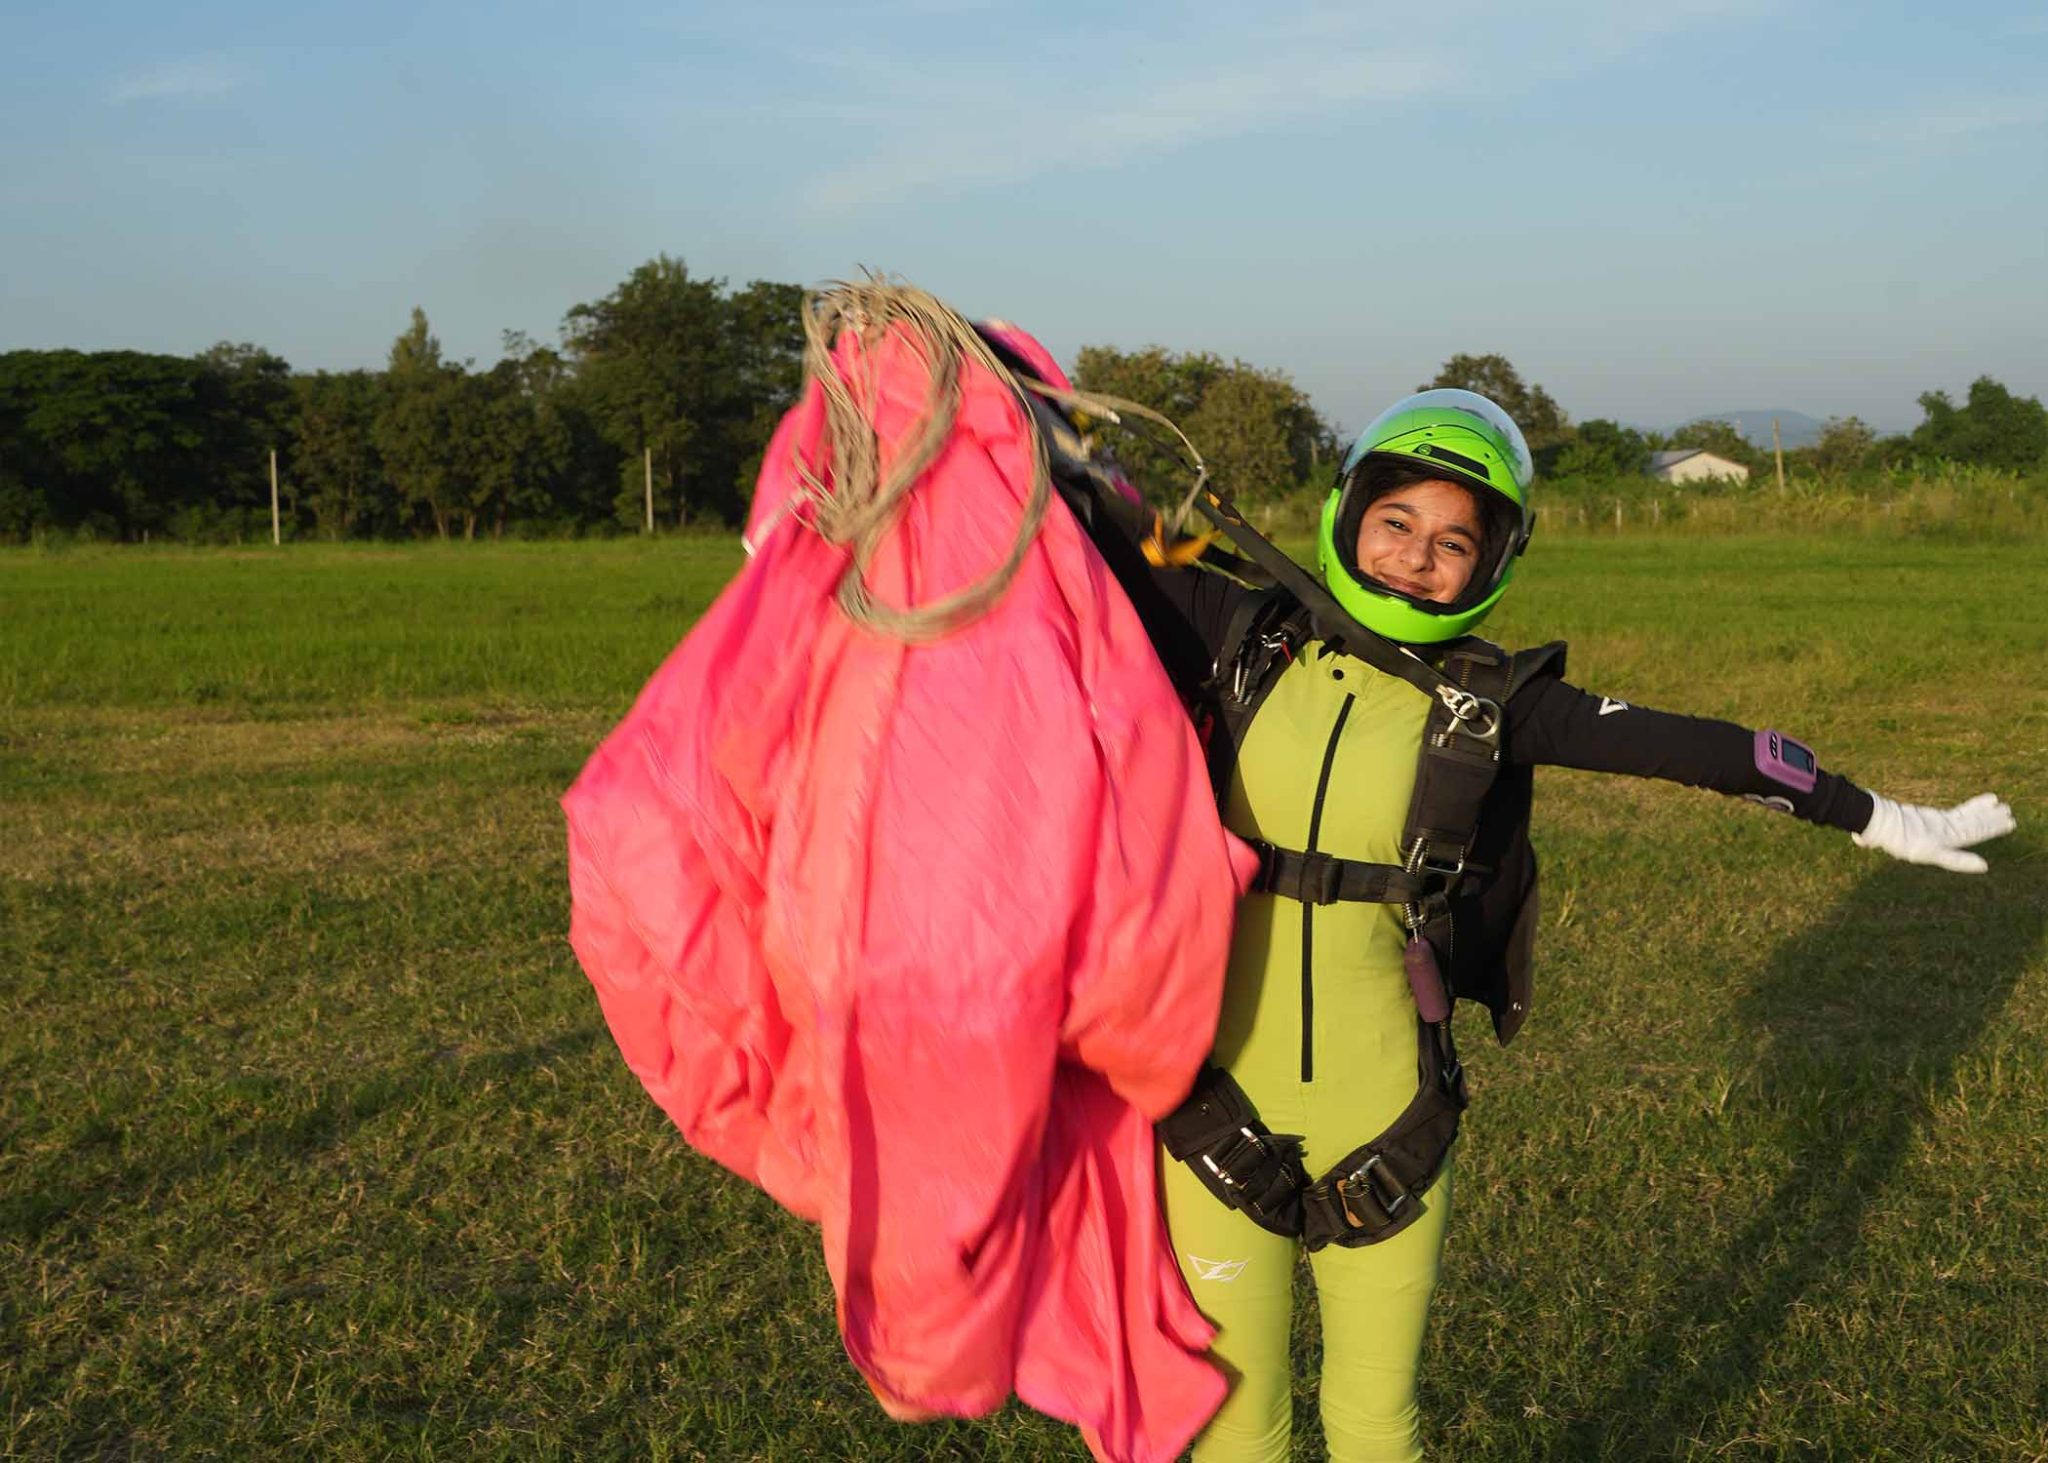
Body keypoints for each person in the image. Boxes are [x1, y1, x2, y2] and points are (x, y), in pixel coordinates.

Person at [1052, 387, 2016, 1462]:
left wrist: (1869, 810)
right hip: (1213, 1113)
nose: (1418, 556)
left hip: (1389, 1132)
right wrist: (1001, 389)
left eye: (1452, 541)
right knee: (1237, 1427)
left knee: (1376, 1429)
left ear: (1492, 562)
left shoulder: (1492, 700)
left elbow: (1696, 746)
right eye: (1397, 522)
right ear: (1349, 511)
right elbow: (1092, 511)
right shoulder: (1237, 628)